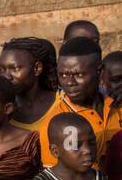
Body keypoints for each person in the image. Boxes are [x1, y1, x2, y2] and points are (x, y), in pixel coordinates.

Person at [32, 37, 122, 167]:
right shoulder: (55, 125)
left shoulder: (117, 104)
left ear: (100, 71)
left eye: (79, 74)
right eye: (63, 75)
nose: (69, 83)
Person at [0, 37, 58, 163]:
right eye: (2, 70)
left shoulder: (64, 104)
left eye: (14, 68)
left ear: (37, 68)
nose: (6, 76)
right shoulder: (1, 113)